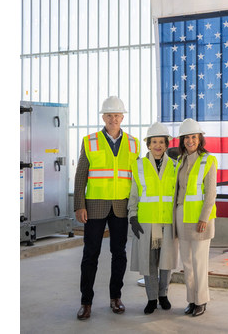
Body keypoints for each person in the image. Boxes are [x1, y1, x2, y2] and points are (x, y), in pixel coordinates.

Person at [73, 96, 140, 320]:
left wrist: (136, 207)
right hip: (94, 206)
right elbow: (81, 174)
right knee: (90, 254)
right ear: (103, 117)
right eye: (109, 115)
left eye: (117, 115)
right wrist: (79, 205)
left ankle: (116, 298)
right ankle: (86, 302)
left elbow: (138, 178)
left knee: (119, 254)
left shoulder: (133, 143)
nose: (113, 118)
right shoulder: (90, 141)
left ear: (122, 117)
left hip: (121, 206)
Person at [128, 122, 179, 315]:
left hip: (167, 221)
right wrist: (132, 216)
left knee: (166, 263)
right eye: (154, 141)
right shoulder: (138, 165)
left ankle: (163, 294)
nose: (158, 145)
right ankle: (151, 298)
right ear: (148, 144)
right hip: (146, 222)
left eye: (162, 142)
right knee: (148, 263)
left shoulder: (175, 165)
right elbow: (134, 194)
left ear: (166, 145)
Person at [173, 118, 218, 317]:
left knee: (200, 262)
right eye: (187, 137)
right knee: (187, 262)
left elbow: (210, 193)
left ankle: (201, 301)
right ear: (182, 140)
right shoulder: (180, 161)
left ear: (200, 139)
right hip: (182, 215)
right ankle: (191, 299)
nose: (190, 140)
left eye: (194, 137)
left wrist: (204, 219)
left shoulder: (209, 160)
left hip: (200, 218)